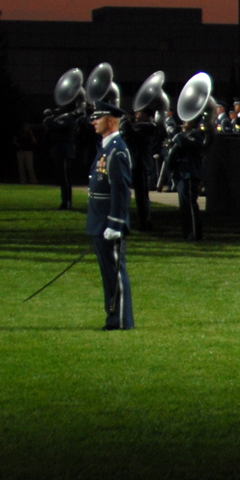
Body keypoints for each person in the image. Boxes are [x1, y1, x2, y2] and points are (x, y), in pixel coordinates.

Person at [87, 98, 135, 331]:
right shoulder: (106, 148)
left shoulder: (117, 151)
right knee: (108, 275)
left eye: (98, 117)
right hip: (99, 221)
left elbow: (121, 189)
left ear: (111, 120)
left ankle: (123, 320)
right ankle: (113, 318)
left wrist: (116, 223)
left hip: (109, 222)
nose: (94, 121)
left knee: (115, 274)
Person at [167, 110, 210, 241]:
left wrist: (177, 137)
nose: (184, 123)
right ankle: (187, 233)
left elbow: (186, 143)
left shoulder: (197, 135)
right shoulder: (184, 135)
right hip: (182, 173)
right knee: (184, 207)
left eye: (187, 121)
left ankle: (195, 234)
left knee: (190, 205)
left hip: (190, 173)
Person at [126, 107, 161, 232]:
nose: (136, 114)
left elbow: (130, 134)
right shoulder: (143, 127)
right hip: (139, 164)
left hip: (141, 164)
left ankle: (145, 222)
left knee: (142, 196)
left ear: (147, 115)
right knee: (140, 196)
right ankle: (144, 221)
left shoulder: (148, 127)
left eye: (139, 112)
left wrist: (126, 122)